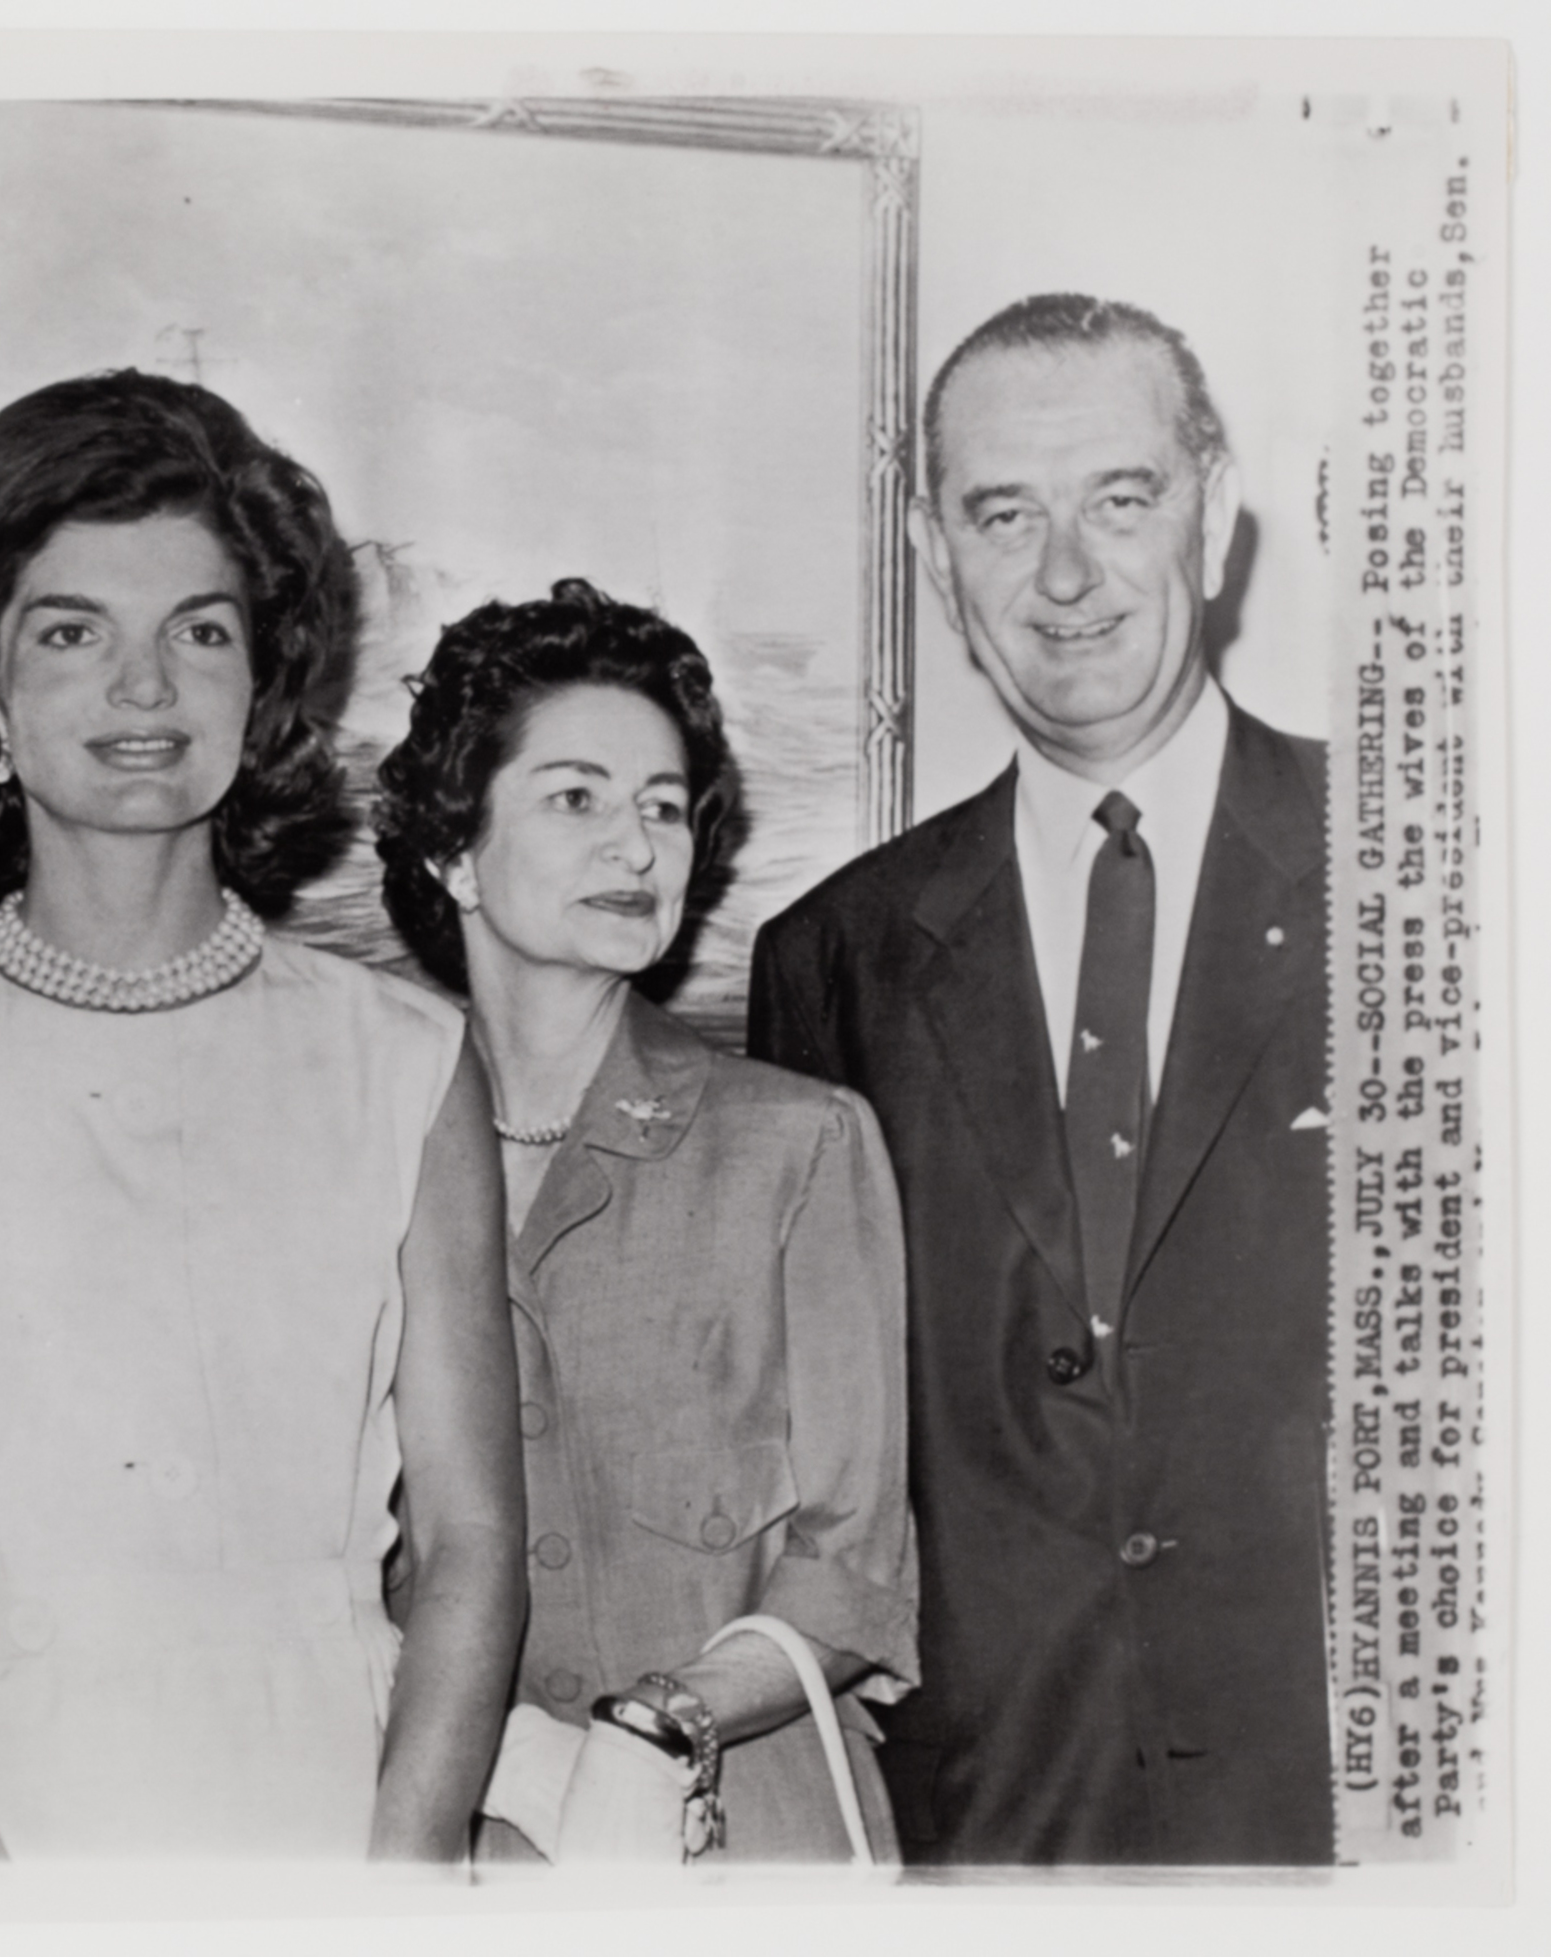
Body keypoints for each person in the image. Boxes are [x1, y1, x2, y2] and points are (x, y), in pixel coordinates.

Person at [0, 371, 524, 1860]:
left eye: (199, 631)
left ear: (263, 682)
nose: (145, 689)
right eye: (73, 633)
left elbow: (469, 1547)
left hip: (339, 1831)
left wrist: (393, 1896)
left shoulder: (405, 1059)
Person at [749, 295, 1332, 1864]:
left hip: (1372, 1814)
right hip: (999, 1817)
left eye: (1120, 500)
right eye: (1006, 516)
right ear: (939, 559)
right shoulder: (835, 959)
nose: (1066, 577)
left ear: (1214, 513)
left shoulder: (1437, 876)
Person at [375, 578, 916, 1864]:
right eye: (576, 798)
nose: (636, 848)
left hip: (739, 1845)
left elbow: (854, 1568)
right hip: (451, 1846)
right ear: (452, 849)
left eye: (663, 807)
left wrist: (657, 1726)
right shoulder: (362, 1152)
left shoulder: (797, 1142)